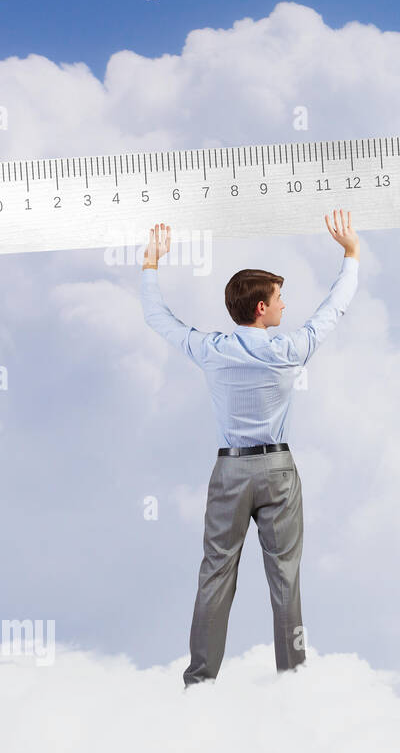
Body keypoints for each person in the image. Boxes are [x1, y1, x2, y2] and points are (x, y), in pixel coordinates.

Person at [140, 210, 360, 687]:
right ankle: (294, 679)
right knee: (286, 580)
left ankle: (199, 683)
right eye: (279, 297)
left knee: (215, 575)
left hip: (230, 473)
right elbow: (333, 310)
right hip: (279, 470)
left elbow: (157, 318)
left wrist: (152, 265)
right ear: (261, 308)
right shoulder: (289, 350)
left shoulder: (210, 349)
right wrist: (351, 255)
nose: (284, 305)